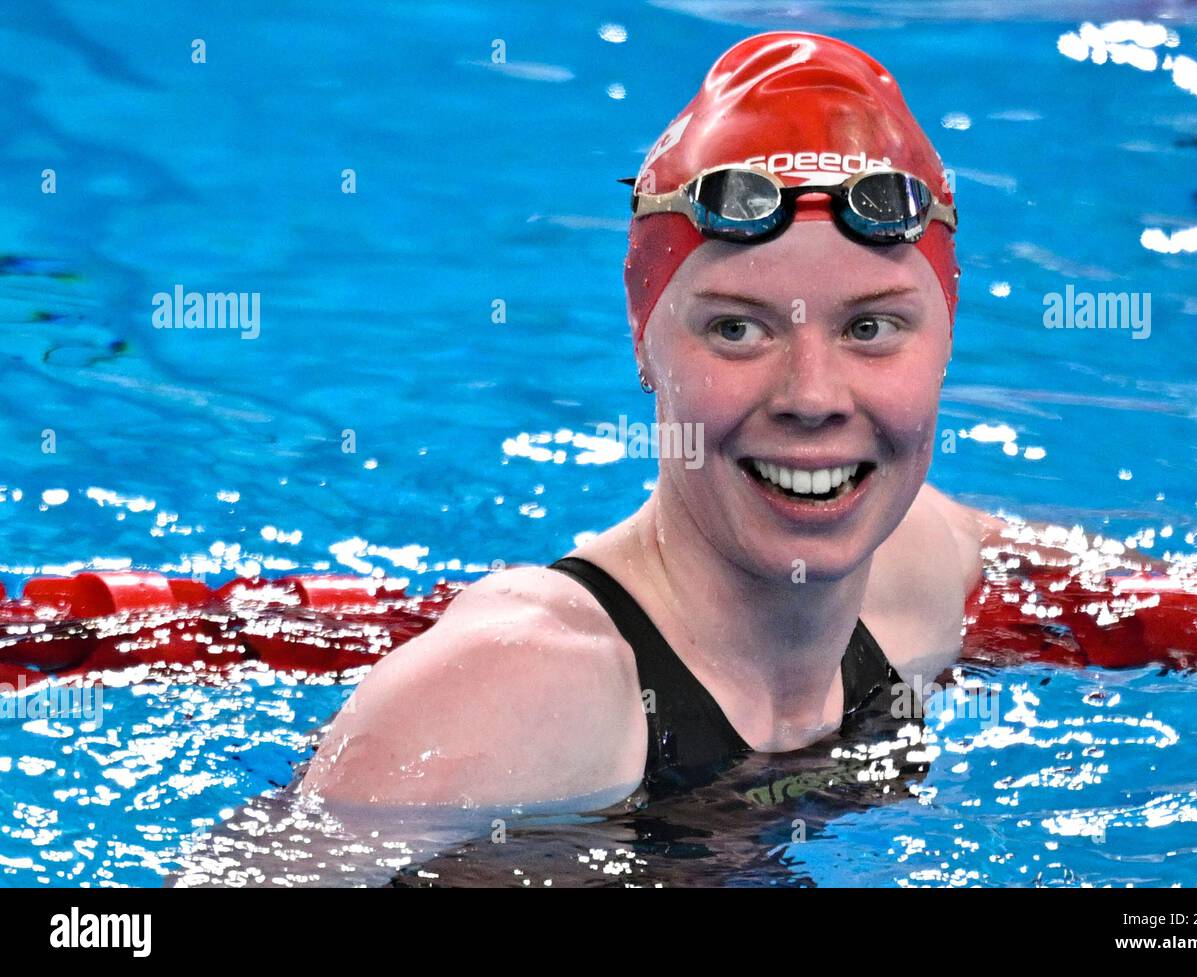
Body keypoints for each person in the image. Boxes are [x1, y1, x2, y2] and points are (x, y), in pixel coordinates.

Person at [298, 31, 1098, 812]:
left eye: (870, 328)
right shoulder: (513, 691)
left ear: (947, 344)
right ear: (644, 344)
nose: (812, 396)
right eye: (737, 329)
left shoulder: (922, 570)